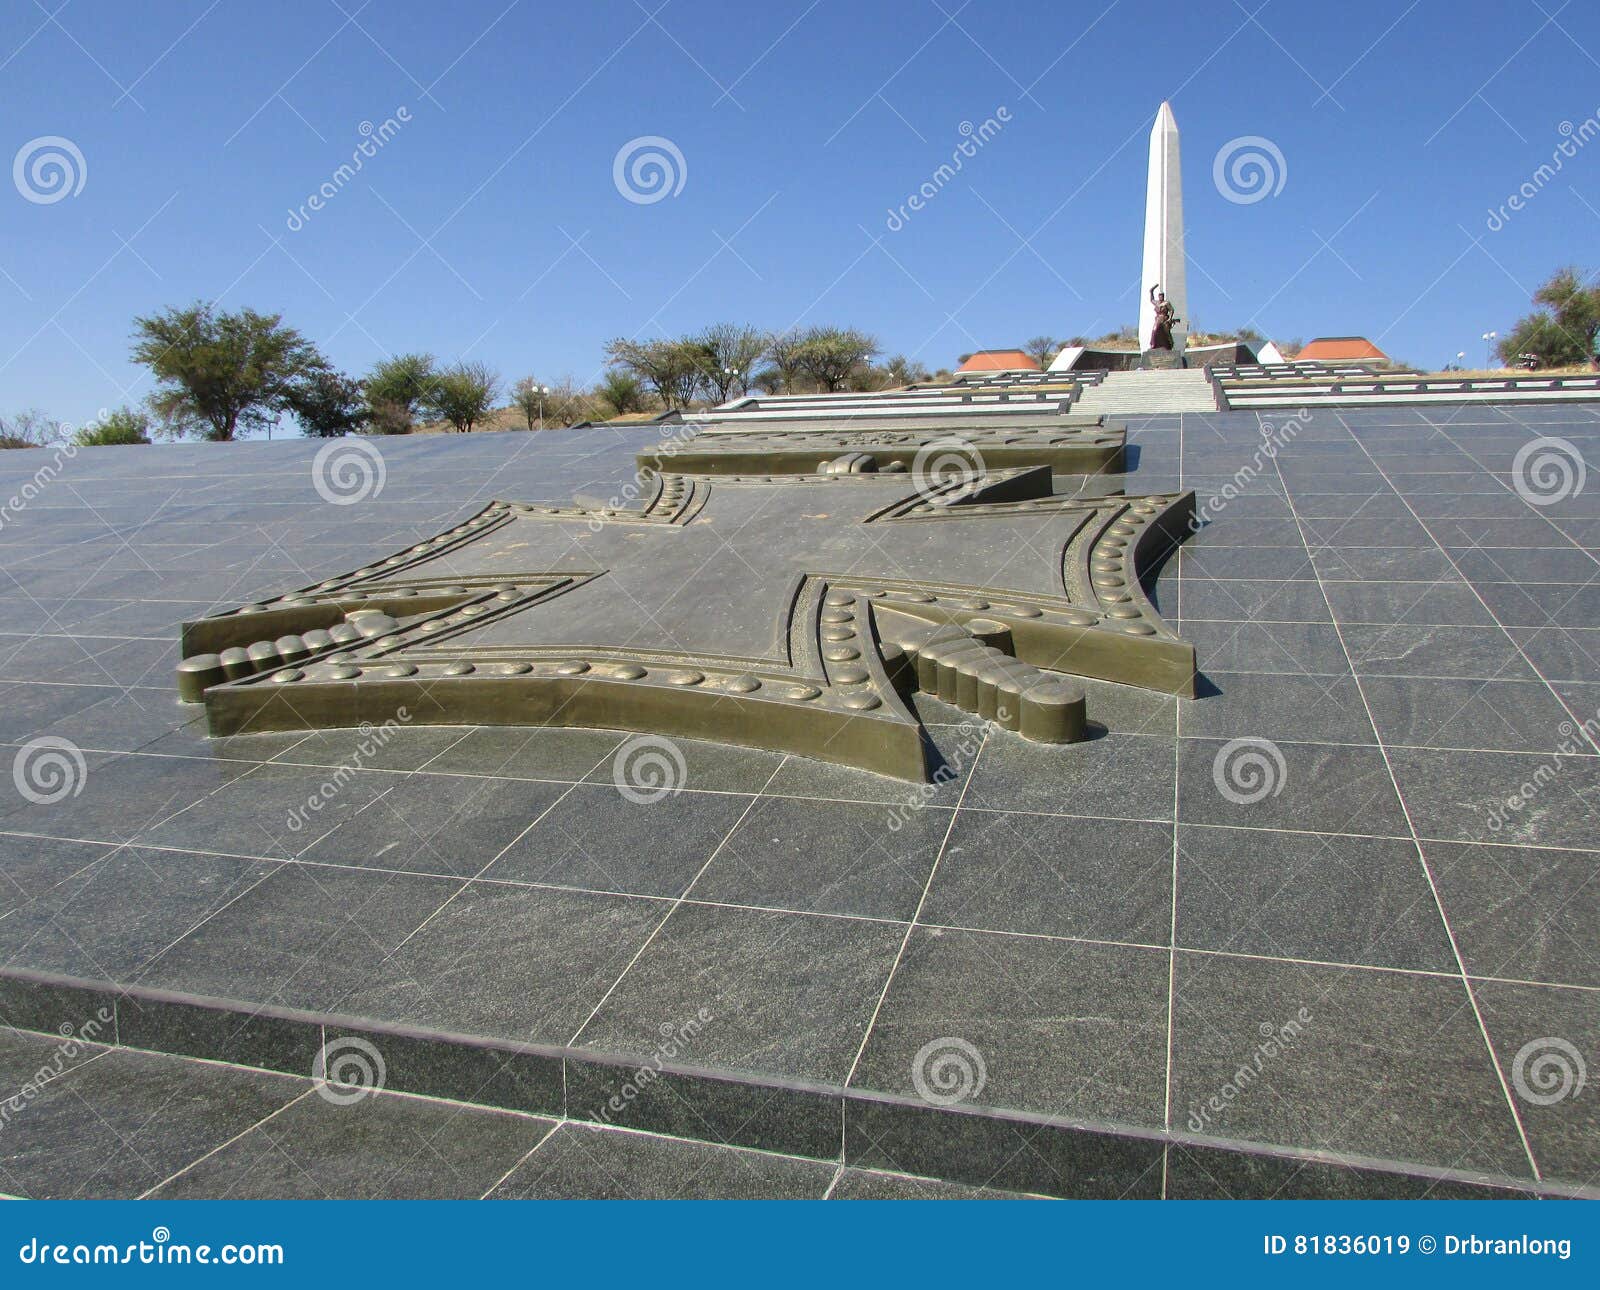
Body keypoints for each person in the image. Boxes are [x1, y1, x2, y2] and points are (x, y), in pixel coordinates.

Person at [1148, 284, 1179, 351]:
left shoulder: (1166, 303)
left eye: (1162, 296)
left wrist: (1170, 319)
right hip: (1158, 319)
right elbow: (1151, 299)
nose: (1161, 297)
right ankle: (1153, 344)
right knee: (1155, 330)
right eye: (1160, 296)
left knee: (1166, 332)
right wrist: (1152, 291)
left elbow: (1171, 310)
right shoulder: (1157, 303)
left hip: (1164, 318)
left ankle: (1169, 344)